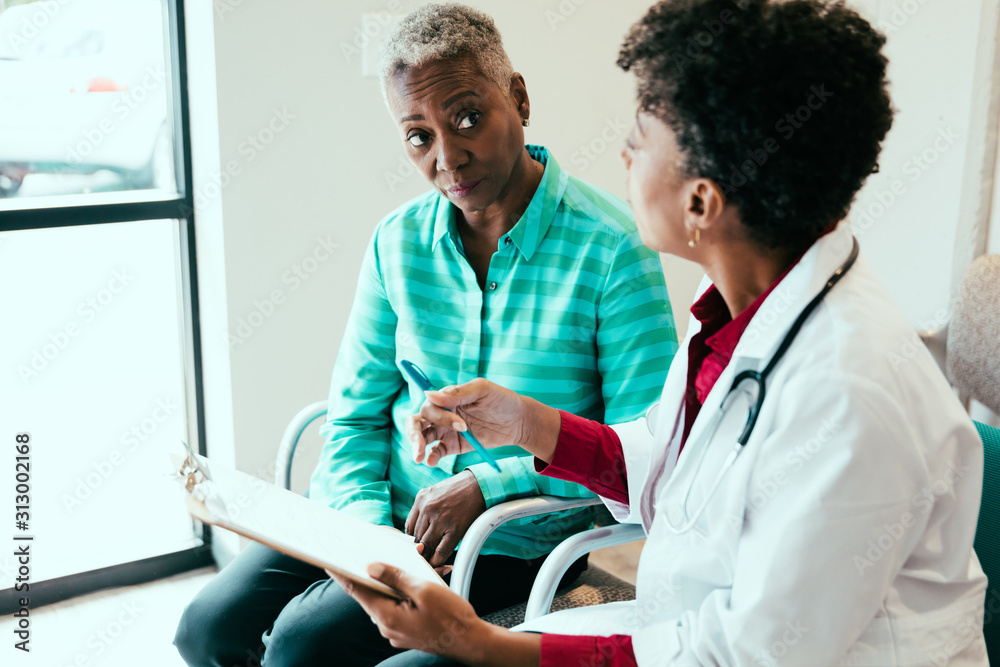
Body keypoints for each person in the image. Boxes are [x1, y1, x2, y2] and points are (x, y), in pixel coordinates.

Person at [331, 1, 990, 665]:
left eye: (641, 138)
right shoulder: (735, 308)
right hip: (683, 618)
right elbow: (660, 461)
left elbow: (740, 655)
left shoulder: (847, 395)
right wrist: (525, 422)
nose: (622, 152)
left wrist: (479, 642)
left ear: (700, 201)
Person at [173, 4, 678, 667]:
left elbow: (647, 455)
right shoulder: (398, 242)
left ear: (519, 98)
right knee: (206, 627)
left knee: (301, 646)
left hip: (515, 542)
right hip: (380, 519)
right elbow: (354, 418)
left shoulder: (613, 250)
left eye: (468, 118)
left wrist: (488, 487)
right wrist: (365, 533)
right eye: (418, 137)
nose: (448, 157)